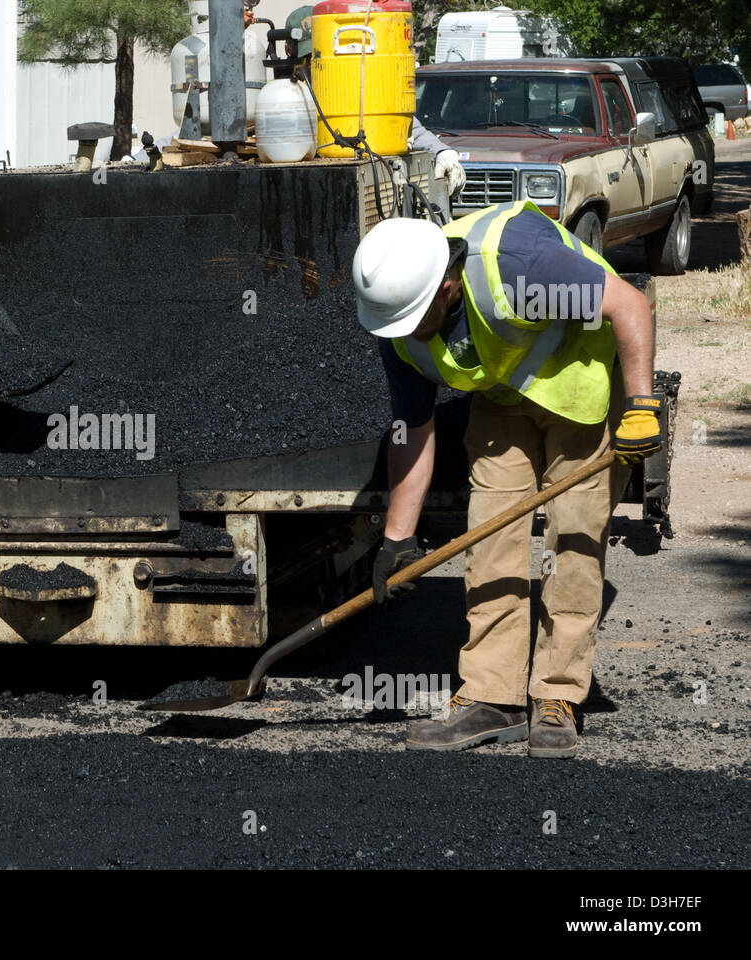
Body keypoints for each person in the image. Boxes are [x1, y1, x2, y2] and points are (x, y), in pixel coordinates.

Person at [351, 201, 661, 758]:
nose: (410, 335)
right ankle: (492, 696)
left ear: (446, 286)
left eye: (417, 319)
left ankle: (557, 695)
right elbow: (414, 430)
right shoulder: (397, 321)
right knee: (491, 536)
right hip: (503, 397)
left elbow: (630, 304)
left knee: (573, 540)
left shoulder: (517, 262)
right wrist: (397, 538)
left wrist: (641, 403)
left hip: (582, 382)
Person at [282, 6, 465, 203]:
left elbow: (404, 126)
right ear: (288, 50)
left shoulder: (355, 91)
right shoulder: (282, 98)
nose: (318, 65)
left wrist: (441, 151)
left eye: (324, 55)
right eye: (311, 57)